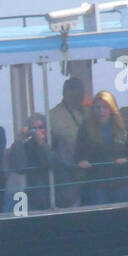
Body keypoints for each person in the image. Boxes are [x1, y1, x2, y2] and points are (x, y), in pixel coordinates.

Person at [75, 90, 128, 205]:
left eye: (105, 107)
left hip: (121, 181)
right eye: (97, 107)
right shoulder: (86, 128)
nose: (101, 111)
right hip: (97, 182)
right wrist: (81, 161)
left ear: (111, 108)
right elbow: (78, 152)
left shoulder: (123, 125)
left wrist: (127, 159)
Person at [8, 112, 73, 211]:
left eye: (41, 127)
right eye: (34, 129)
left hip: (58, 197)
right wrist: (19, 140)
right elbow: (19, 167)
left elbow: (55, 163)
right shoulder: (28, 146)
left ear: (47, 128)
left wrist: (42, 144)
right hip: (36, 199)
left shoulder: (58, 140)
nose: (38, 131)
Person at [48, 77, 89, 207]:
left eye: (80, 94)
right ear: (65, 94)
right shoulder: (53, 116)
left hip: (92, 172)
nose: (77, 97)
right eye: (73, 94)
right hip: (68, 174)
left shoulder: (90, 112)